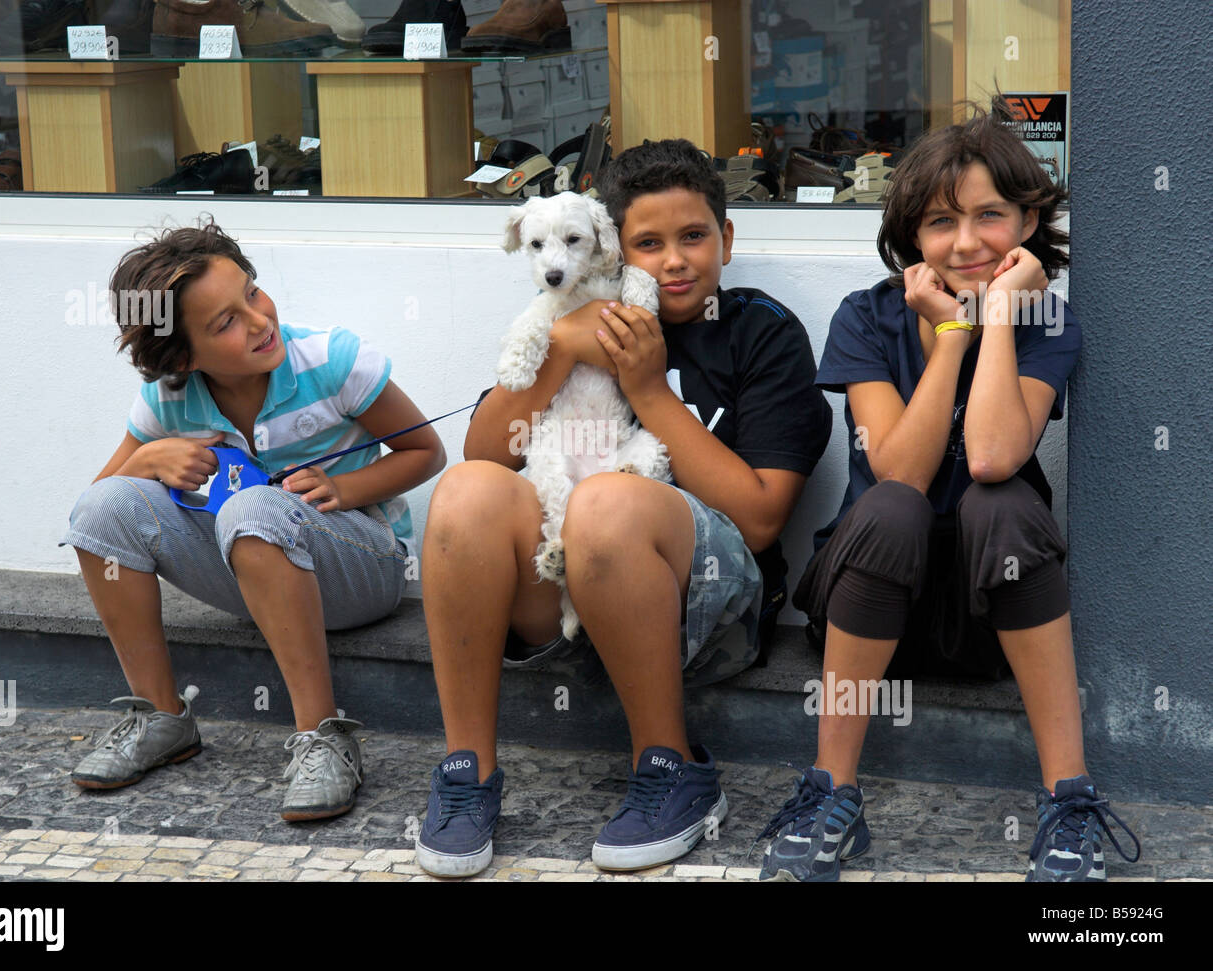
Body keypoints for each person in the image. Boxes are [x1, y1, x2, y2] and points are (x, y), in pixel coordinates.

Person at [415, 139, 831, 876]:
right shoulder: (580, 310)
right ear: (610, 246)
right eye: (648, 243)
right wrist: (562, 352)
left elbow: (762, 516)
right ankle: (466, 772)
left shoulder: (762, 334)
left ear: (726, 239)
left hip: (708, 612)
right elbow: (486, 451)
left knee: (607, 500)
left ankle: (673, 768)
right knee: (464, 493)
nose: (673, 260)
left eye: (693, 236)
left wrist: (647, 390)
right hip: (568, 597)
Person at [759, 107, 1141, 882]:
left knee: (998, 501)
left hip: (979, 615)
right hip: (867, 611)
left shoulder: (1046, 324)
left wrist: (996, 316)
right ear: (912, 237)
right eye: (940, 222)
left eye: (990, 217)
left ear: (1028, 222)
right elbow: (900, 470)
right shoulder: (867, 317)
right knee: (896, 504)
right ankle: (832, 793)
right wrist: (950, 338)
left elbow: (997, 455)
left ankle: (1069, 800)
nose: (966, 243)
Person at [59, 221, 445, 822]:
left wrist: (344, 487)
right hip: (248, 572)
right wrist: (145, 460)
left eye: (253, 293)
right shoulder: (170, 395)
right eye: (227, 322)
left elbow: (426, 452)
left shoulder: (332, 360)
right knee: (104, 505)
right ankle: (162, 717)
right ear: (183, 354)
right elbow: (101, 509)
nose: (260, 320)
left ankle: (323, 737)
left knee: (252, 507)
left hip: (363, 569)